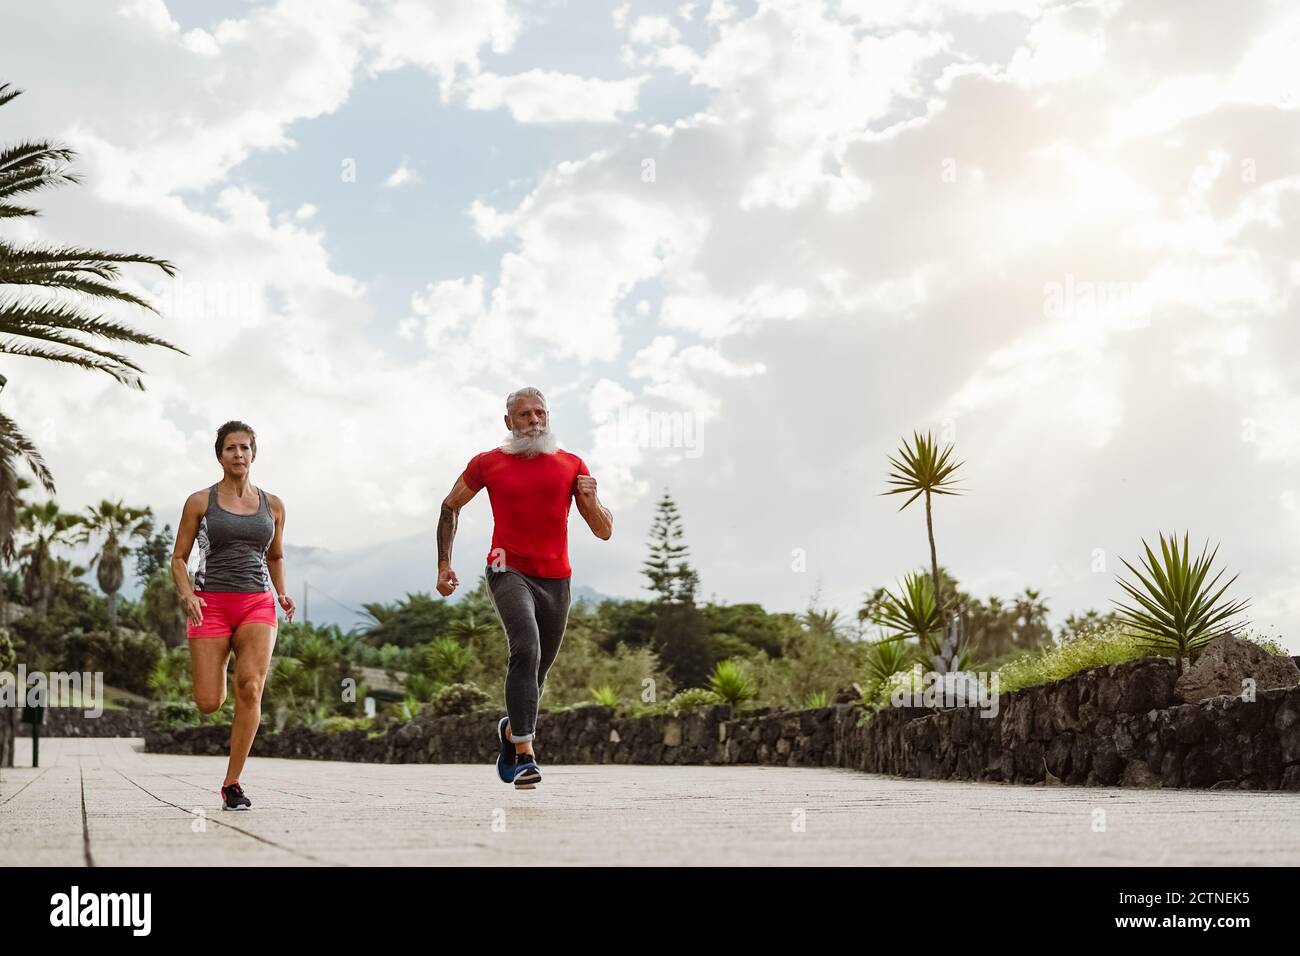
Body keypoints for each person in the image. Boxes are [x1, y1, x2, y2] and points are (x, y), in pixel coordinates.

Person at [436, 387, 612, 789]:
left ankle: (511, 731)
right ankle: (525, 755)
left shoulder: (571, 465)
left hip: (557, 577)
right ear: (508, 422)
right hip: (507, 568)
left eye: (540, 413)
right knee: (526, 648)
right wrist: (444, 563)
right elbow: (450, 505)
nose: (534, 421)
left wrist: (594, 499)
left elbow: (603, 531)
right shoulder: (488, 463)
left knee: (538, 669)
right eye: (524, 415)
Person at [170, 420, 294, 810]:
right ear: (219, 455)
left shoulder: (272, 505)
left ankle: (232, 783)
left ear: (253, 454)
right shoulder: (199, 502)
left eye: (244, 448)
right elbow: (178, 558)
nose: (238, 455)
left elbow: (274, 555)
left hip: (257, 602)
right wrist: (187, 593)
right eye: (230, 449)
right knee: (209, 701)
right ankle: (219, 669)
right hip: (211, 603)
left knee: (252, 688)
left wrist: (282, 592)